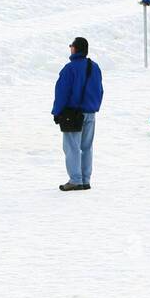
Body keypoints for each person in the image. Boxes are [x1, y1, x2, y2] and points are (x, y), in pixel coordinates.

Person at [51, 37, 103, 191]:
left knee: (72, 147)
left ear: (75, 49)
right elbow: (100, 90)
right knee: (87, 147)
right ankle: (85, 180)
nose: (70, 48)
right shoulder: (94, 67)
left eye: (71, 46)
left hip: (73, 114)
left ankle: (75, 180)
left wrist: (57, 111)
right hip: (90, 112)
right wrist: (94, 107)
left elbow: (62, 92)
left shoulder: (70, 68)